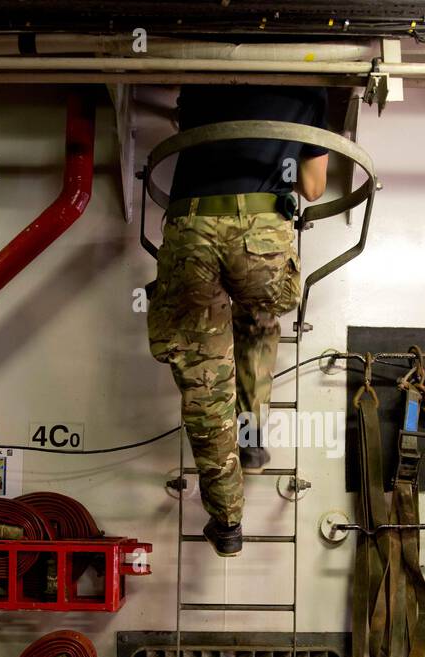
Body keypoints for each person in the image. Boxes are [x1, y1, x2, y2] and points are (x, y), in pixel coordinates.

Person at [147, 85, 329, 557]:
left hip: (191, 228)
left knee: (205, 384)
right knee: (260, 317)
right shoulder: (312, 83)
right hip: (260, 233)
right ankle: (250, 435)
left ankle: (226, 521)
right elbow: (312, 189)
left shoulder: (201, 80)